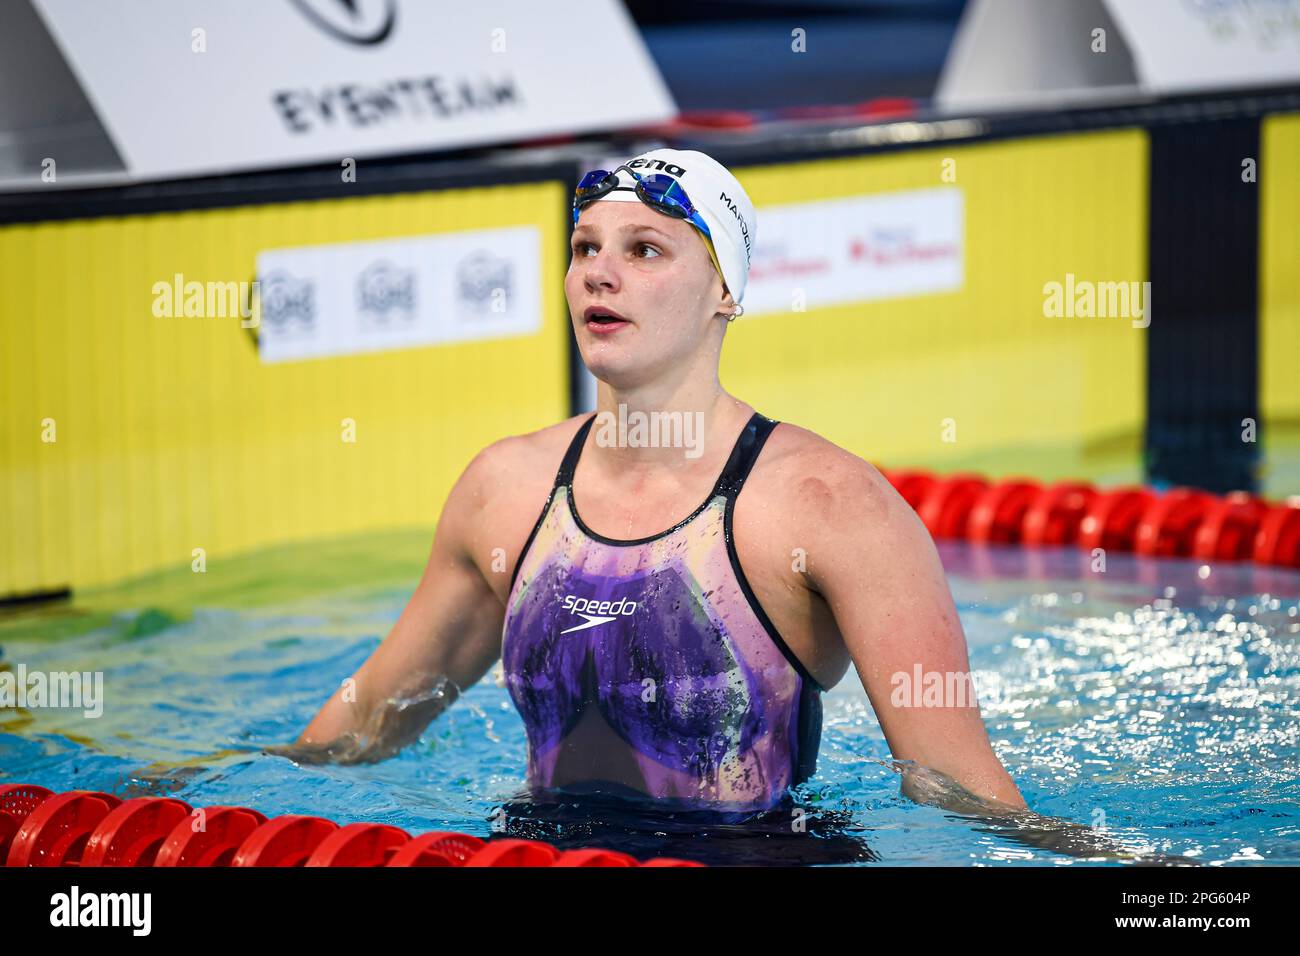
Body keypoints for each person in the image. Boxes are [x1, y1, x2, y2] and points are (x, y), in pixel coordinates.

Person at [277, 147, 1027, 823]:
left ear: (725, 291)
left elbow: (952, 784)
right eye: (584, 249)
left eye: (644, 250)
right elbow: (373, 715)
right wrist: (208, 789)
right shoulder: (504, 490)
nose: (600, 272)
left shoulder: (827, 507)